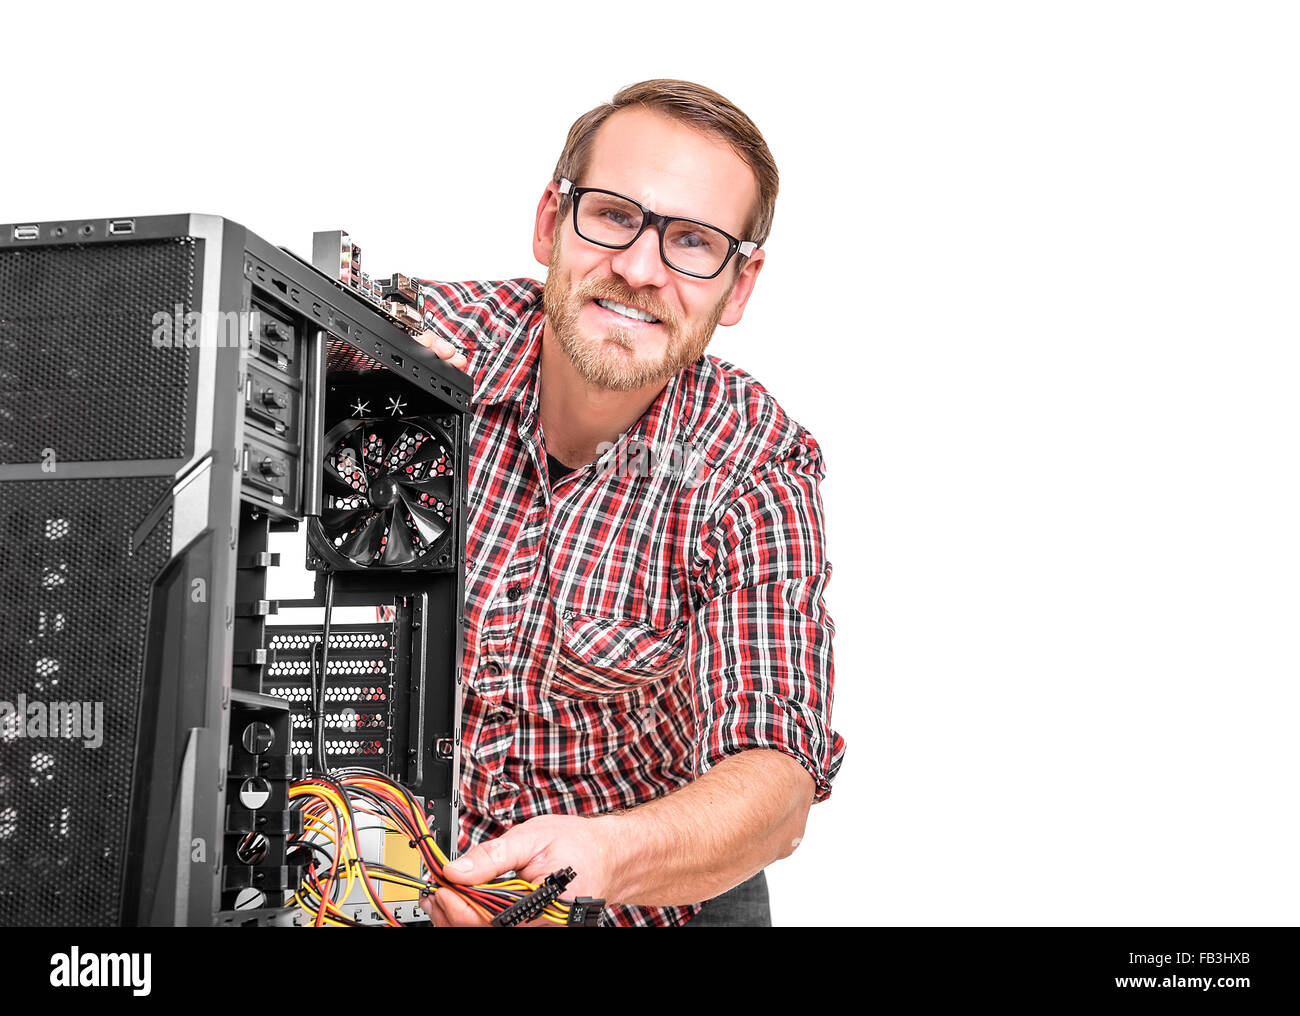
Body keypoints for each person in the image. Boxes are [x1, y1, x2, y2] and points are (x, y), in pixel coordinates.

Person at [410, 79, 844, 927]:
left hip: (636, 894)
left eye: (693, 242)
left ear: (740, 285)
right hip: (398, 883)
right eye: (612, 216)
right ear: (550, 222)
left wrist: (604, 856)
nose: (640, 269)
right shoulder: (421, 349)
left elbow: (778, 780)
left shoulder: (755, 463)